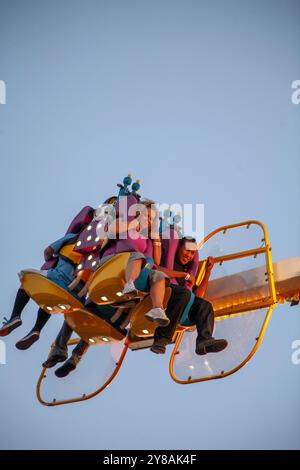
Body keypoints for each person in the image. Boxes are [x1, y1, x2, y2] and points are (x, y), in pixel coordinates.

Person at [0, 232, 84, 349]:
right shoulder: (98, 250)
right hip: (73, 290)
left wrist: (51, 260)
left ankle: (15, 316)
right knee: (50, 300)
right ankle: (36, 330)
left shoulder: (73, 237)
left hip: (57, 276)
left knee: (25, 278)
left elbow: (47, 252)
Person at [151, 236, 228, 355]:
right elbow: (156, 270)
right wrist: (183, 275)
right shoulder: (167, 258)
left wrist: (207, 272)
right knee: (184, 293)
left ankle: (204, 340)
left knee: (205, 305)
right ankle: (160, 340)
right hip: (163, 291)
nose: (189, 255)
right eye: (187, 250)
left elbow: (197, 296)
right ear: (179, 248)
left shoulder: (188, 269)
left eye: (192, 253)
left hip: (182, 302)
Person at [99, 198, 170, 326]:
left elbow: (155, 261)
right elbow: (111, 230)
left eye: (151, 219)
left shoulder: (146, 240)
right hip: (114, 262)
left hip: (135, 265)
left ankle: (157, 309)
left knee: (159, 276)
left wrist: (156, 238)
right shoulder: (127, 225)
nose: (148, 220)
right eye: (146, 215)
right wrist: (134, 223)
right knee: (138, 256)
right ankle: (129, 285)